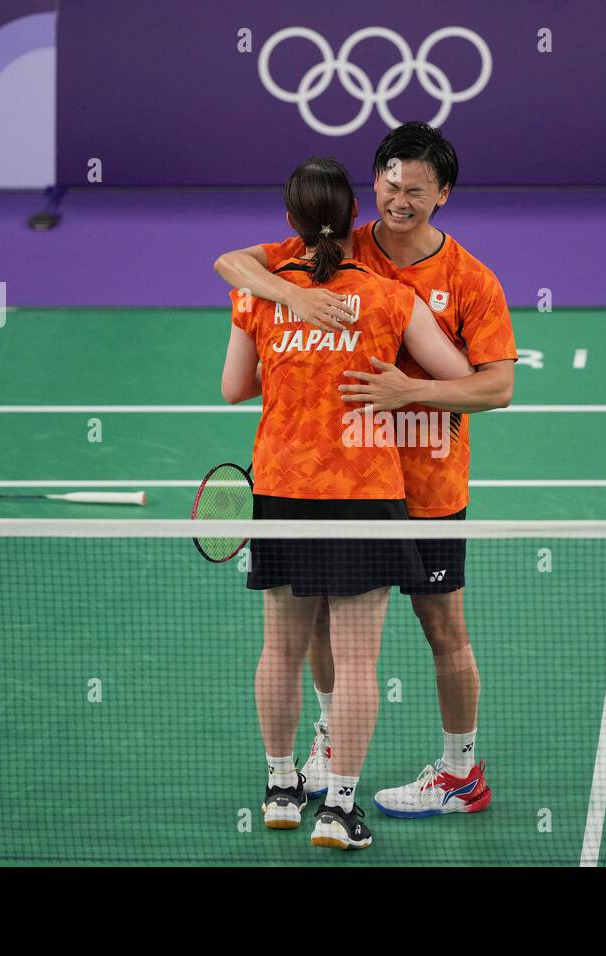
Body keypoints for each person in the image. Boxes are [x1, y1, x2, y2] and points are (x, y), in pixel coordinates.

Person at [214, 123, 516, 819]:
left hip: (429, 487)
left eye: (415, 190)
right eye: (389, 183)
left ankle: (459, 771)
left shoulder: (470, 280)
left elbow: (496, 389)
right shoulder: (334, 250)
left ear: (443, 195)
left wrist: (412, 391)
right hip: (349, 486)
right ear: (370, 183)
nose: (399, 199)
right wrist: (291, 300)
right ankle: (328, 739)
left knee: (444, 630)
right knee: (319, 626)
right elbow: (233, 264)